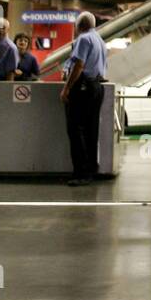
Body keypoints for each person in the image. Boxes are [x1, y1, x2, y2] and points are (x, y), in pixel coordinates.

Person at [61, 11, 107, 186]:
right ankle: (90, 171)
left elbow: (79, 65)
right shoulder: (100, 41)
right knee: (90, 130)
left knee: (76, 129)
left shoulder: (83, 39)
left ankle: (80, 173)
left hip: (82, 88)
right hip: (96, 87)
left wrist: (66, 88)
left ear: (78, 26)